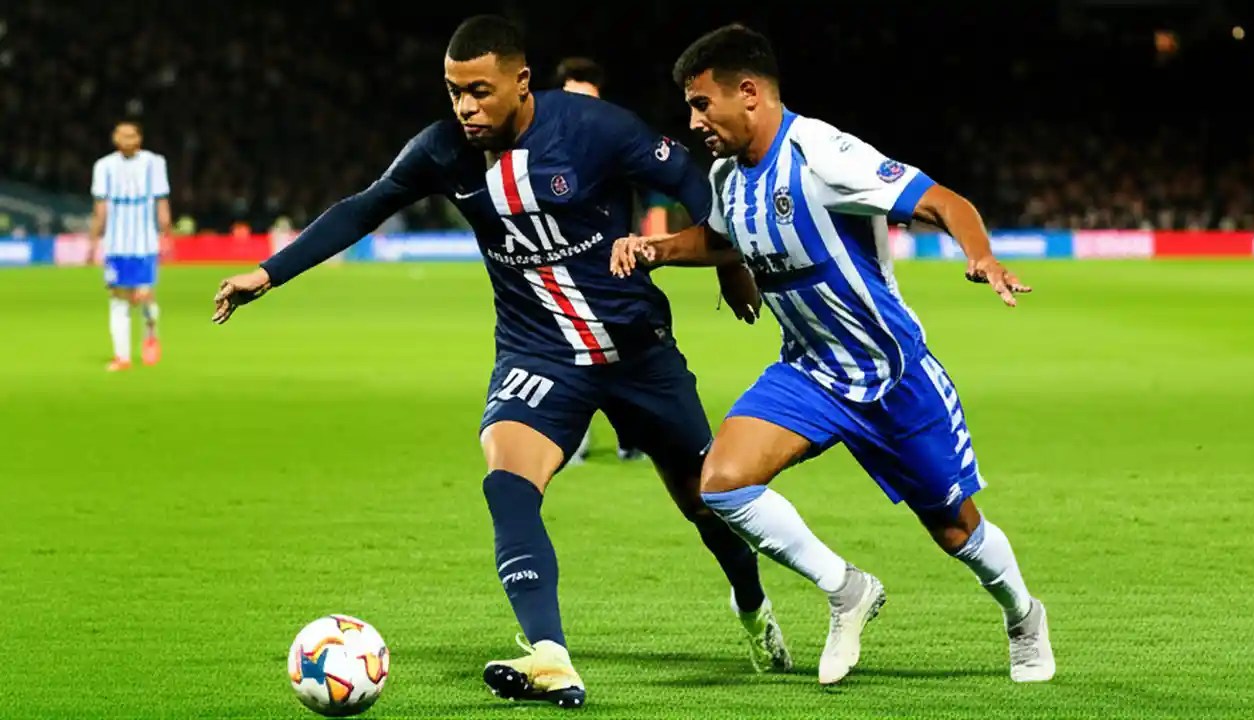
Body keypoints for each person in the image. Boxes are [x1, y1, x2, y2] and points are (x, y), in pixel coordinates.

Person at [211, 15, 784, 710]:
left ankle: (752, 606)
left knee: (705, 505)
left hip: (635, 350)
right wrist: (267, 275)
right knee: (508, 482)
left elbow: (696, 187)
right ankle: (549, 654)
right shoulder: (443, 151)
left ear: (521, 81)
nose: (465, 108)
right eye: (454, 92)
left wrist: (729, 267)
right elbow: (363, 207)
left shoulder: (595, 129)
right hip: (537, 351)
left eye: (479, 91)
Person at [611, 24, 1054, 686]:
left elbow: (942, 200)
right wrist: (656, 249)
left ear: (750, 93)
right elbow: (723, 238)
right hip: (809, 373)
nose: (693, 120)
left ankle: (1023, 615)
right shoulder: (728, 175)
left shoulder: (823, 155)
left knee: (957, 532)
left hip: (891, 378)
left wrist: (979, 253)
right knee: (723, 483)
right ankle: (845, 589)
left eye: (703, 104)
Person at [552, 56, 648, 464]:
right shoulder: (541, 148)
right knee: (566, 353)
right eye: (574, 99)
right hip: (561, 268)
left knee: (624, 352)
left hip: (614, 267)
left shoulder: (616, 143)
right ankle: (574, 439)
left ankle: (634, 435)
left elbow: (650, 190)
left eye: (589, 100)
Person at [90, 120, 170, 371]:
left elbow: (162, 203)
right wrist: (95, 240)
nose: (127, 139)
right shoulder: (103, 166)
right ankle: (122, 356)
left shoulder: (154, 163)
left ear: (140, 138)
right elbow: (100, 209)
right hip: (116, 244)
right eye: (122, 135)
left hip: (145, 242)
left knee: (145, 296)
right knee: (119, 299)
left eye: (132, 134)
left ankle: (150, 331)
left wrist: (165, 233)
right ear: (115, 139)